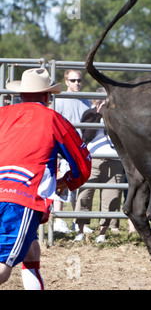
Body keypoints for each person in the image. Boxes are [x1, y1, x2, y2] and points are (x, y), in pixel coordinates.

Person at [0, 68, 91, 289]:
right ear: (47, 96)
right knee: (3, 267)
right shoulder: (53, 119)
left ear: (21, 94)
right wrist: (67, 182)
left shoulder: (2, 114)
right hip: (22, 197)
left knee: (31, 247)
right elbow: (82, 163)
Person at [73, 88, 125, 243]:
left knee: (111, 198)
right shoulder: (89, 113)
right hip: (93, 160)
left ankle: (102, 233)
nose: (104, 102)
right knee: (84, 195)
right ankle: (80, 231)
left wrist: (109, 114)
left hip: (114, 161)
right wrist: (98, 112)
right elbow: (87, 135)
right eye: (101, 99)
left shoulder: (117, 114)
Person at [53, 69, 90, 233]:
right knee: (62, 182)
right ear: (66, 82)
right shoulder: (59, 100)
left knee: (79, 183)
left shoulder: (86, 100)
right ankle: (58, 220)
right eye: (73, 80)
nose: (77, 83)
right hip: (65, 149)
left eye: (79, 80)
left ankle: (78, 221)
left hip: (81, 147)